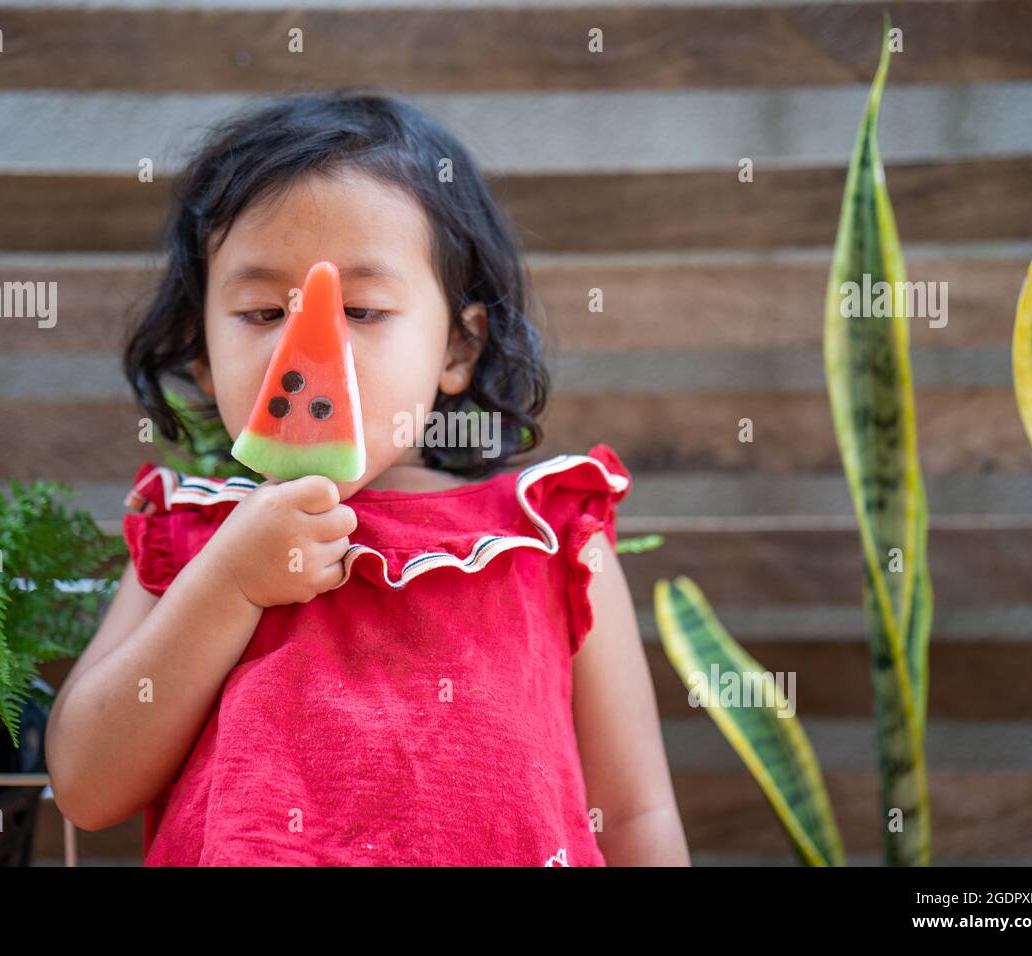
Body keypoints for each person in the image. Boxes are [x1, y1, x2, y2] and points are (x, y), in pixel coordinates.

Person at [46, 88, 690, 866]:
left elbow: (629, 812)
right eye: (259, 313)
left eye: (361, 310)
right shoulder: (192, 537)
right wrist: (227, 585)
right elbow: (86, 783)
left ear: (457, 347)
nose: (308, 347)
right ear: (202, 352)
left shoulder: (548, 539)